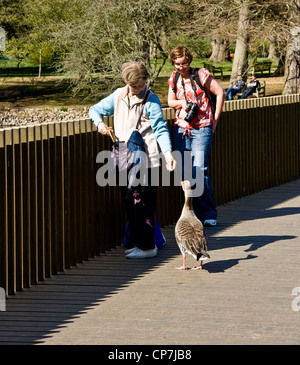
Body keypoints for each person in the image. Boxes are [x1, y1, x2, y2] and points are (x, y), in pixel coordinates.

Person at [89, 61, 176, 259]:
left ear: (145, 80)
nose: (136, 89)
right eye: (133, 86)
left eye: (139, 85)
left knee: (142, 202)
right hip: (124, 156)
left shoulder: (151, 100)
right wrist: (100, 125)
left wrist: (168, 153)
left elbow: (160, 129)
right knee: (130, 201)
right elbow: (94, 110)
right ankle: (147, 241)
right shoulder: (119, 95)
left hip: (146, 158)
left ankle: (147, 248)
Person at [168, 45, 225, 227]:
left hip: (202, 128)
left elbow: (220, 92)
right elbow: (170, 101)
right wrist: (182, 103)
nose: (181, 67)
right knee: (186, 173)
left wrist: (215, 119)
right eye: (177, 64)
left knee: (200, 170)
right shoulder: (174, 77)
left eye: (184, 63)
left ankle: (208, 213)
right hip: (181, 128)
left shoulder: (201, 75)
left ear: (189, 61)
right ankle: (190, 212)